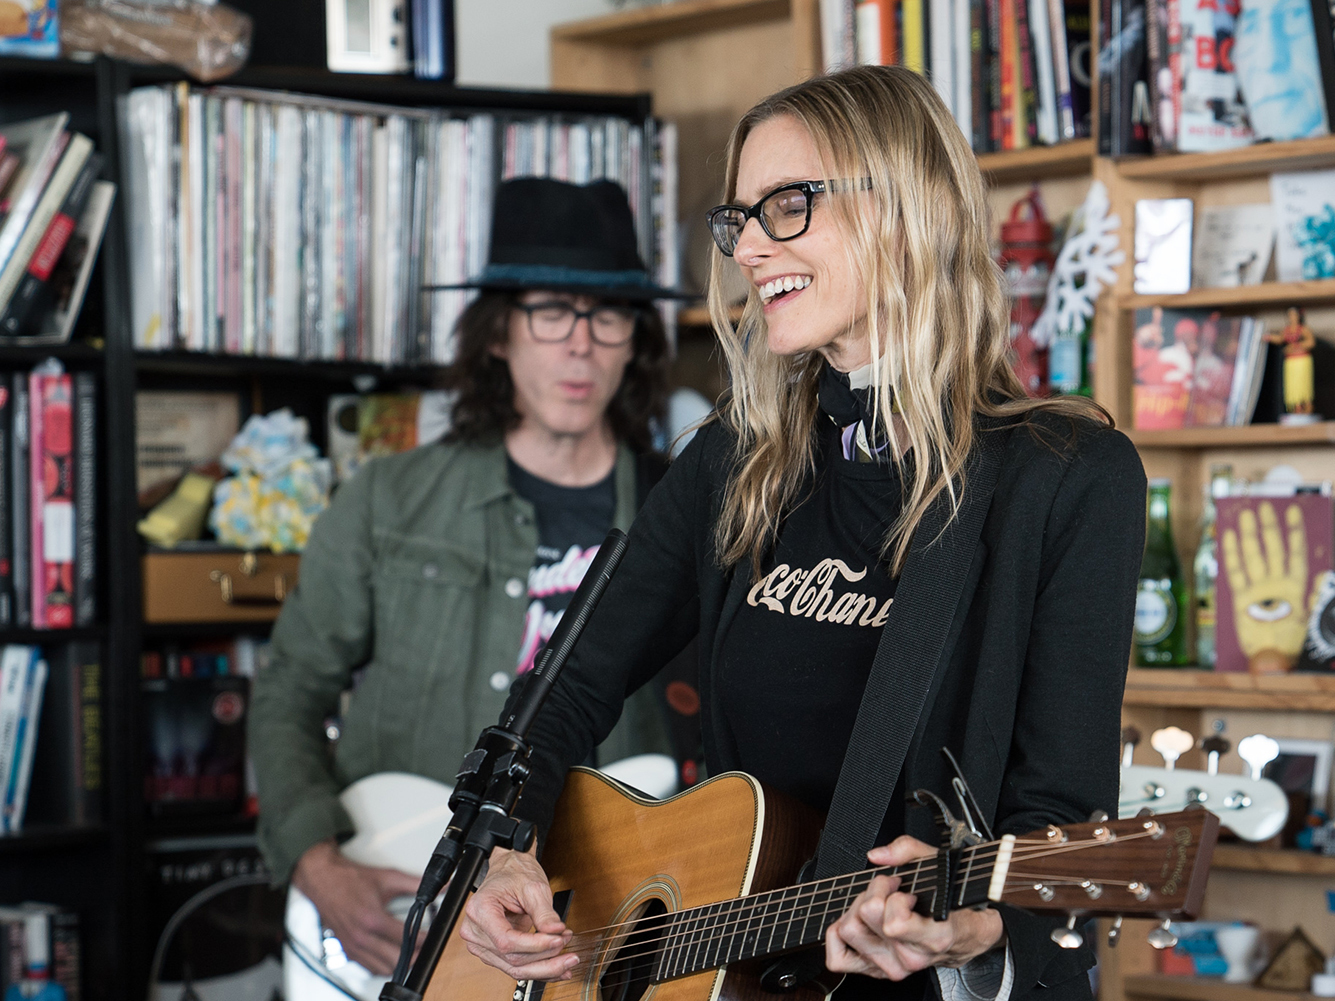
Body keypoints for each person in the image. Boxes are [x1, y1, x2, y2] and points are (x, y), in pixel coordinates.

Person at [460, 66, 1146, 1001]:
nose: (747, 246)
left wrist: (972, 931)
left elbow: (1062, 822)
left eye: (786, 204)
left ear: (906, 206)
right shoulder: (734, 461)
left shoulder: (1064, 476)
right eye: (738, 217)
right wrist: (503, 846)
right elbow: (573, 678)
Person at [249, 177, 690, 977]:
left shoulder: (686, 515)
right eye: (551, 311)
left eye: (608, 315)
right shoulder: (387, 500)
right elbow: (289, 690)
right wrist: (318, 865)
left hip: (590, 922)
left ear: (636, 338)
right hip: (396, 916)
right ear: (498, 334)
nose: (579, 345)